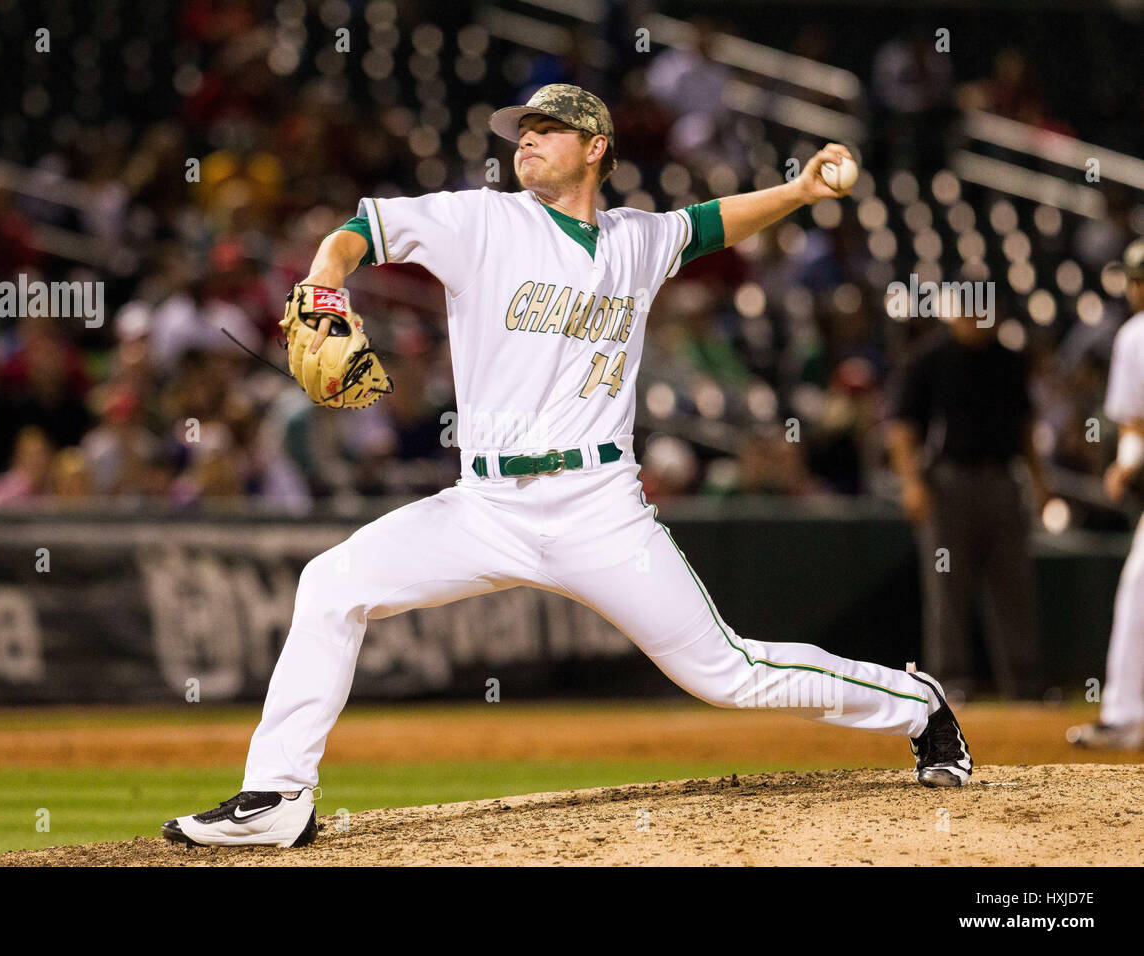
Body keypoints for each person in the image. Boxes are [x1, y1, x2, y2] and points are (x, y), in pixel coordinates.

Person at [163, 84, 973, 849]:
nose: (526, 141)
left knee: (727, 672)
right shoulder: (481, 219)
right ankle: (278, 797)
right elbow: (360, 230)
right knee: (331, 584)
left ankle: (917, 703)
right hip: (485, 505)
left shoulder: (637, 240)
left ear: (595, 148)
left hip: (599, 506)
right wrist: (324, 277)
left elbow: (710, 223)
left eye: (546, 130)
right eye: (522, 131)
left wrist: (798, 191)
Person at [888, 297, 1049, 702]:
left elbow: (1025, 426)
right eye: (969, 310)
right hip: (948, 483)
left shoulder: (1009, 361)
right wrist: (911, 483)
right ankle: (951, 683)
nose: (978, 319)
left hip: (1002, 480)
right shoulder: (930, 359)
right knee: (947, 587)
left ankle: (1025, 685)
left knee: (1014, 585)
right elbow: (902, 428)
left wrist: (1039, 482)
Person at [1068, 238, 1144, 749]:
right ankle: (1124, 716)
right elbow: (1134, 422)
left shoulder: (1134, 334)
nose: (1136, 289)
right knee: (1139, 583)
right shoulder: (1134, 336)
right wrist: (1128, 461)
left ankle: (1124, 715)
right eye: (1134, 280)